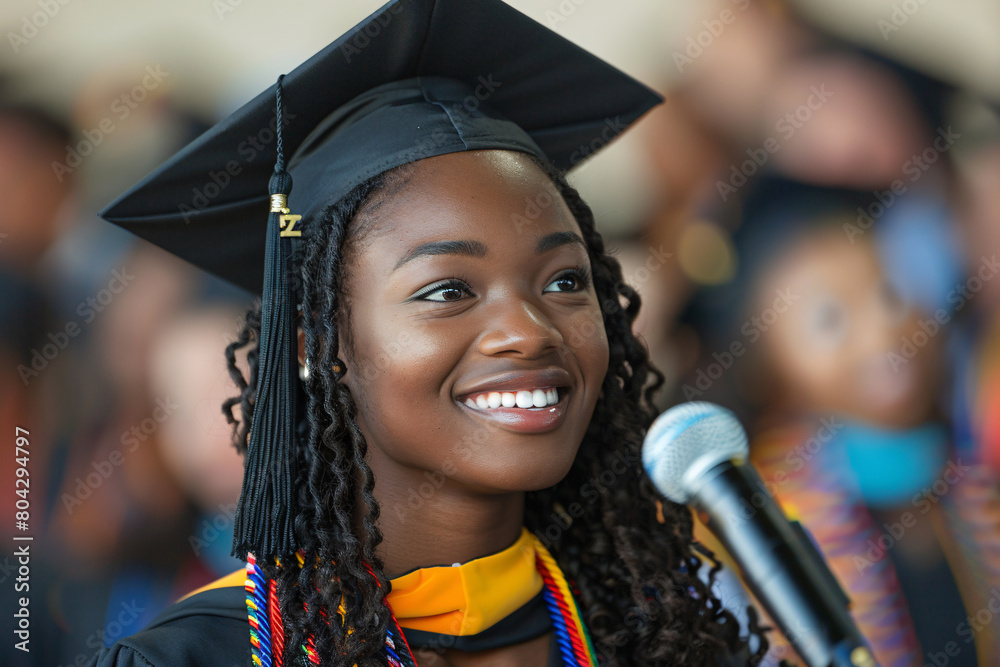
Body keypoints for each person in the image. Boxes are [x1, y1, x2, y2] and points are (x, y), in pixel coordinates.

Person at [87, 0, 770, 665]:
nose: (527, 331)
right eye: (448, 289)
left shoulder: (663, 633)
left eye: (565, 280)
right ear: (313, 343)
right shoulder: (202, 655)